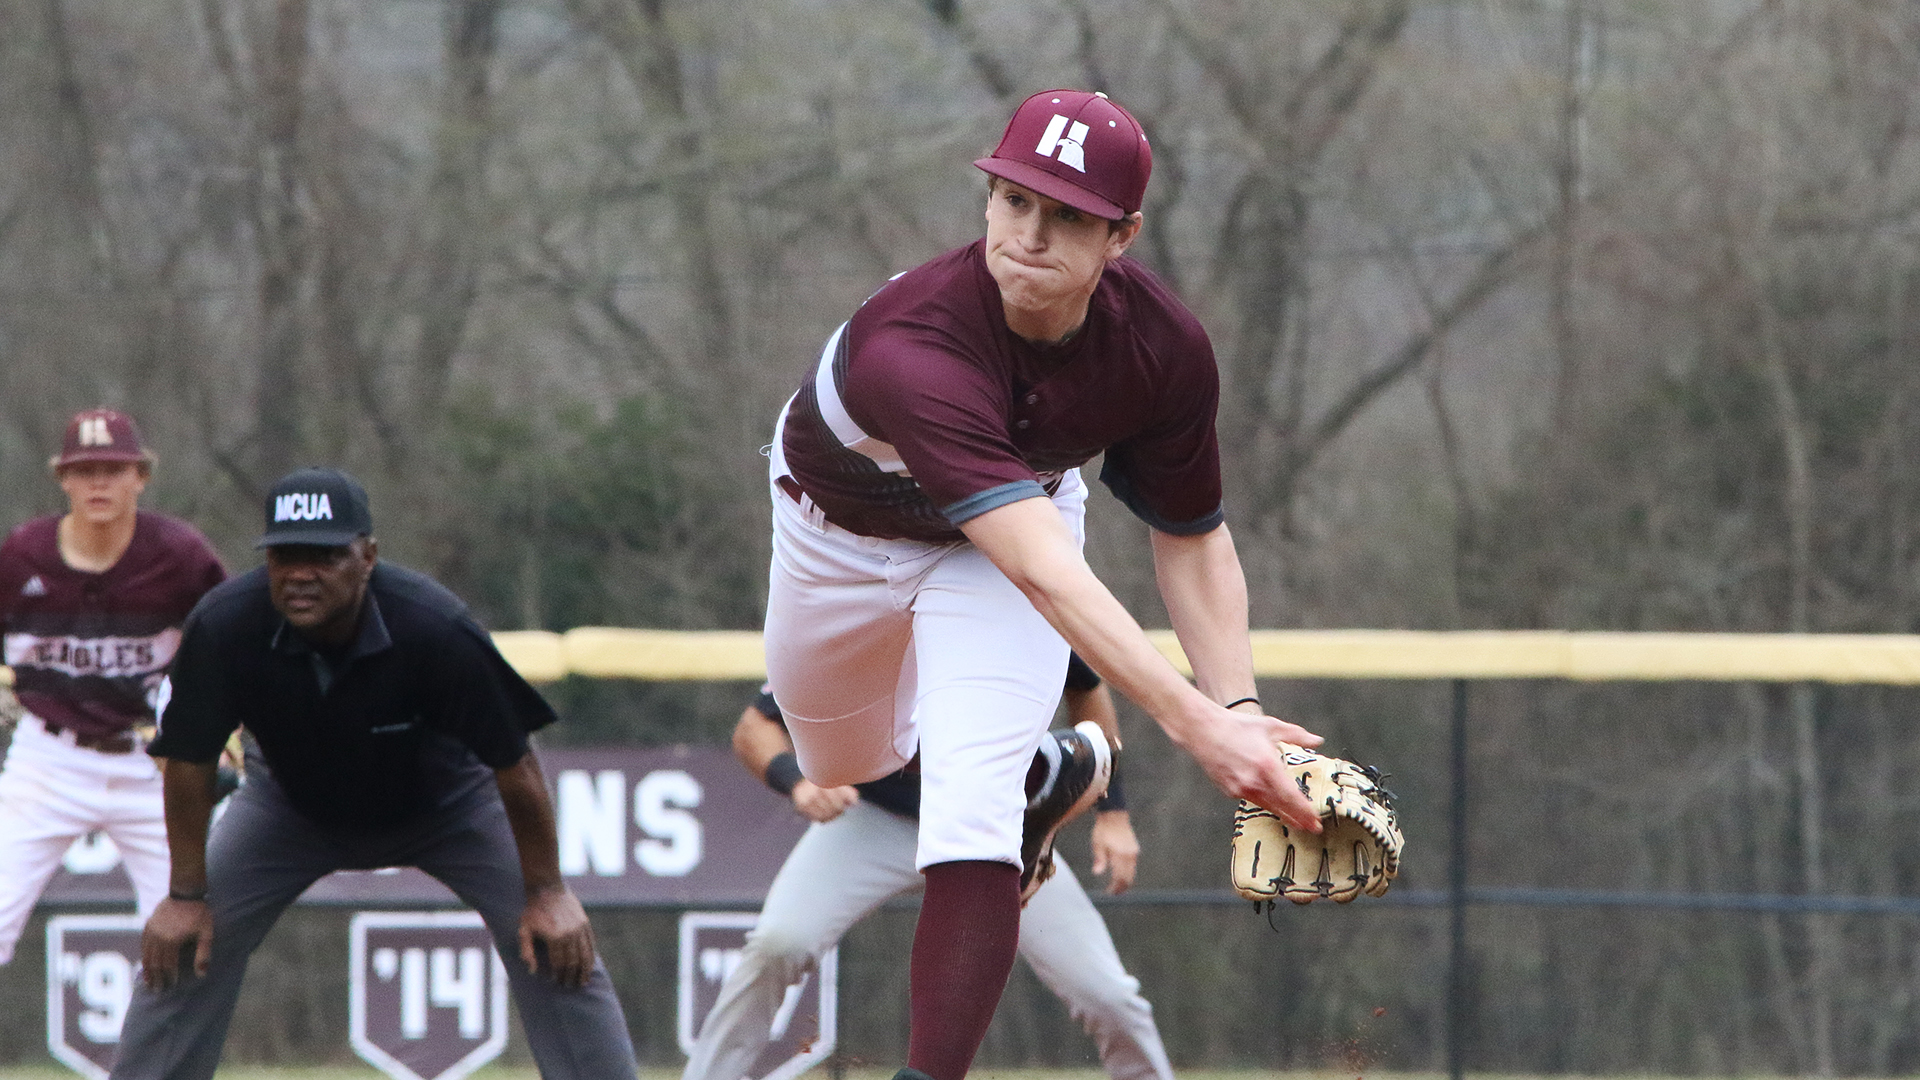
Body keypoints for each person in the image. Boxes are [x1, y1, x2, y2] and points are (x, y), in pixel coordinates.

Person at [762, 88, 1329, 1080]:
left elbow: (1191, 536)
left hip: (999, 538)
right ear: (988, 199)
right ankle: (1045, 776)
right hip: (840, 539)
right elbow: (1046, 573)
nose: (1030, 231)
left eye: (1068, 213)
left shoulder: (1164, 348)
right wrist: (1197, 727)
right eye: (1015, 198)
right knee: (845, 759)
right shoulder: (918, 343)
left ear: (1122, 235)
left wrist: (1238, 706)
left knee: (969, 813)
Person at [110, 467, 637, 1080]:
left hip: (447, 805)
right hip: (289, 807)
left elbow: (514, 764)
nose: (301, 573)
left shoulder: (433, 625)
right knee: (182, 944)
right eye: (285, 555)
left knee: (556, 940)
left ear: (368, 557)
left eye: (325, 555)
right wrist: (184, 895)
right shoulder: (227, 625)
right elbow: (190, 762)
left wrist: (547, 892)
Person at [683, 654, 1173, 1080]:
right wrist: (798, 782)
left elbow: (1086, 687)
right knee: (778, 944)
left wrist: (1114, 812)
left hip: (994, 821)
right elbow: (755, 727)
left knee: (1107, 994)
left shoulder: (1009, 586)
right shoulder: (870, 605)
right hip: (874, 817)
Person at [0, 408, 227, 966]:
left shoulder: (179, 557)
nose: (98, 481)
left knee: (187, 940)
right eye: (84, 469)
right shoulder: (21, 556)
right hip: (47, 759)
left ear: (141, 477)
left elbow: (233, 642)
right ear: (63, 480)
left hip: (156, 762)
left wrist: (225, 729)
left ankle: (162, 1057)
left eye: (114, 468)